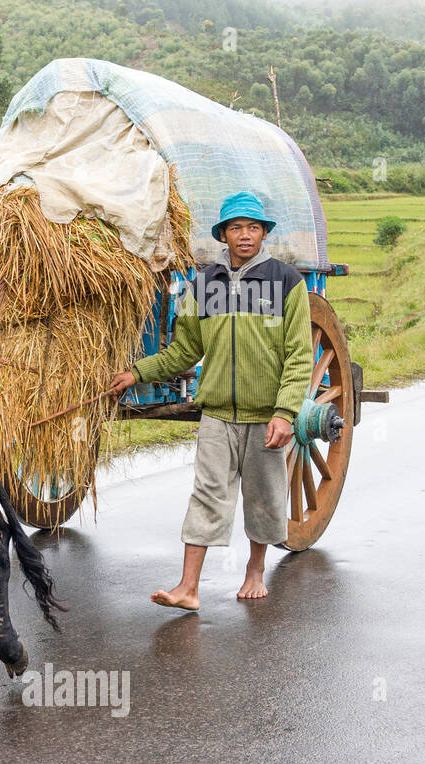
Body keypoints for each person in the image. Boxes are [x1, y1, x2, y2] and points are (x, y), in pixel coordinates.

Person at [108, 191, 314, 608]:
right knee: (206, 494)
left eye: (253, 227)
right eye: (236, 227)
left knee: (264, 496)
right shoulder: (202, 285)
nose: (244, 235)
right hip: (218, 412)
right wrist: (137, 372)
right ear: (223, 234)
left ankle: (255, 570)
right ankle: (188, 588)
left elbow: (299, 354)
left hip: (265, 415)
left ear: (263, 233)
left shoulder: (286, 282)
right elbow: (184, 350)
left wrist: (285, 413)